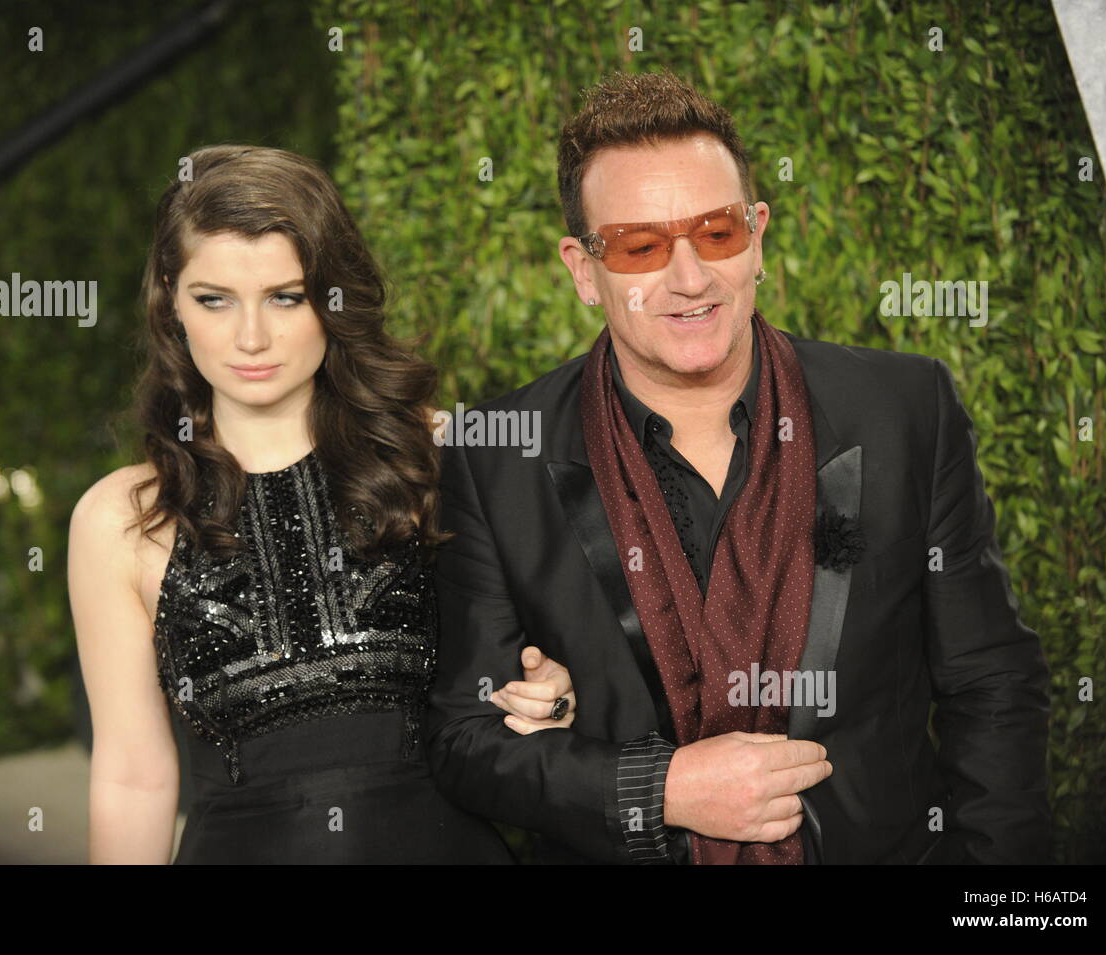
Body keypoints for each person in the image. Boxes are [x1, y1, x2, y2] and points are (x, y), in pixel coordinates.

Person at [425, 70, 1051, 864]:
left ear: (758, 235)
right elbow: (465, 740)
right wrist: (658, 788)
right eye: (640, 246)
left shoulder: (905, 410)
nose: (689, 278)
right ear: (584, 270)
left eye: (716, 233)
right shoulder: (493, 458)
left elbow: (991, 681)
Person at [67, 145, 571, 864]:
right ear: (171, 301)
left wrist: (553, 693)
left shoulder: (440, 457)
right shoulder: (121, 518)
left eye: (286, 296)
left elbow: (540, 668)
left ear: (334, 296)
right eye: (214, 299)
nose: (251, 337)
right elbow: (132, 778)